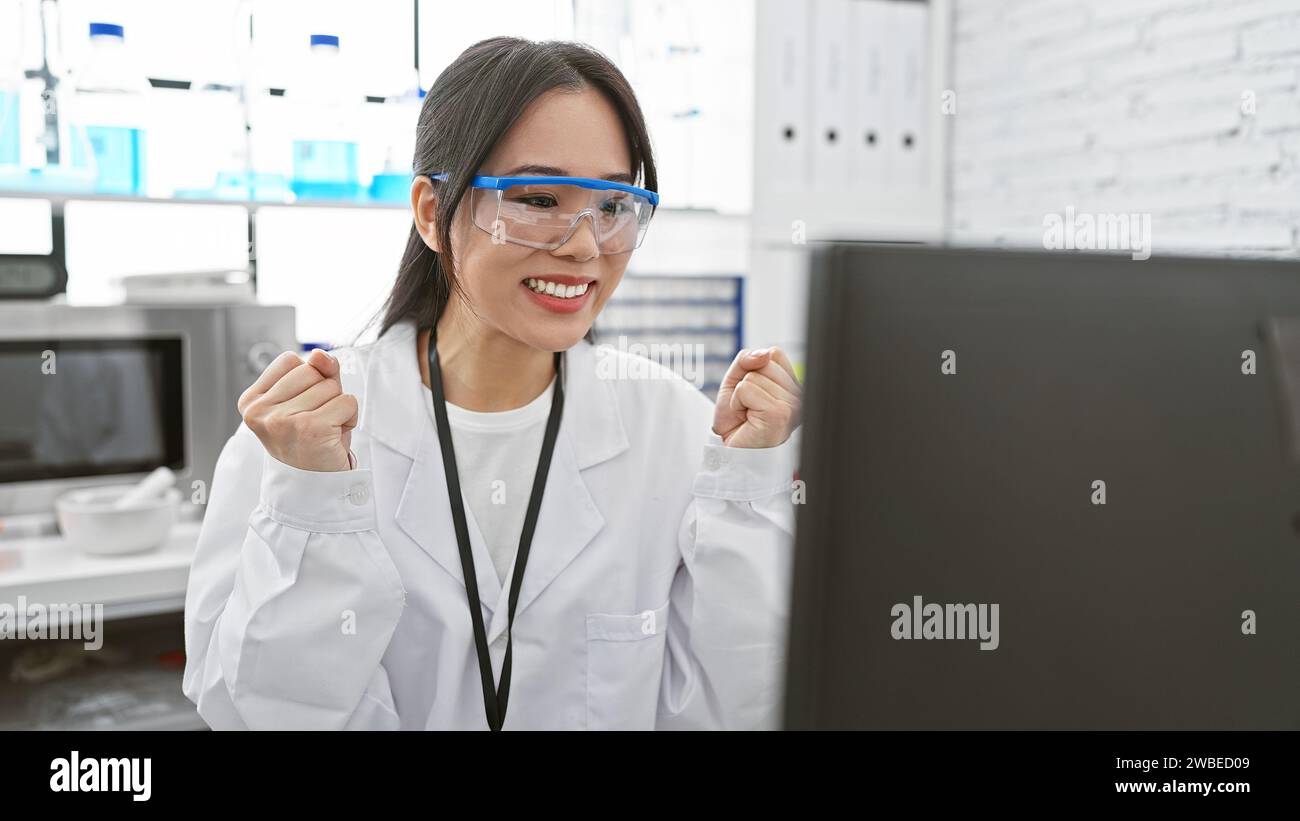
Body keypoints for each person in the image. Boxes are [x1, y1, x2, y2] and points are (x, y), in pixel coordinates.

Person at [182, 36, 802, 730]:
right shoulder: (304, 438)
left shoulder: (675, 428)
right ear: (430, 213)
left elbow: (739, 706)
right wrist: (313, 503)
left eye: (613, 205)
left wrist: (748, 494)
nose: (584, 246)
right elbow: (253, 712)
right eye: (538, 197)